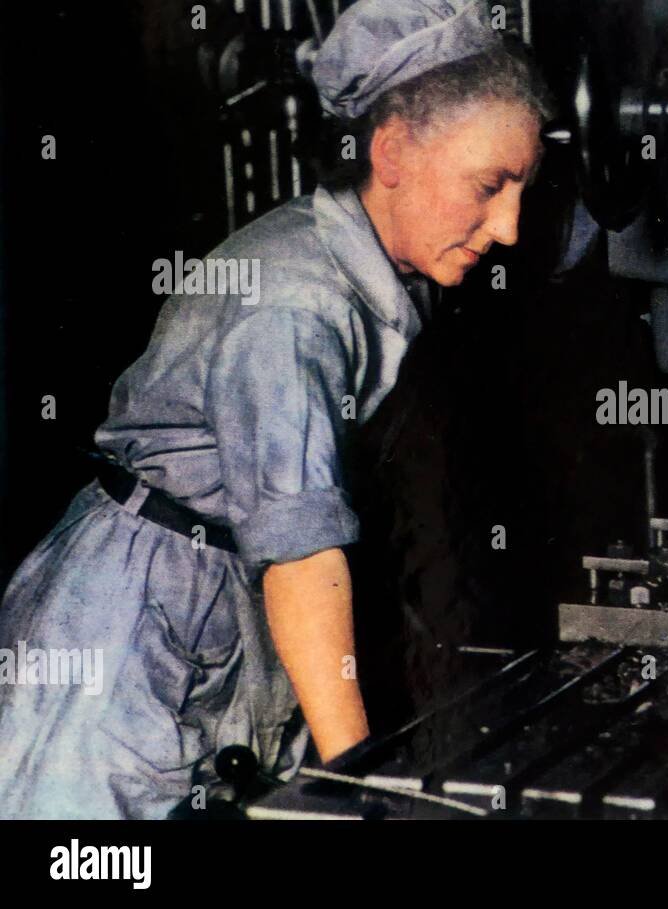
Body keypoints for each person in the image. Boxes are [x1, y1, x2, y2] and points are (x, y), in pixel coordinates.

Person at [0, 0, 553, 819]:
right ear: (392, 150)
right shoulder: (293, 307)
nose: (508, 227)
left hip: (215, 598)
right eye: (488, 186)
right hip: (125, 621)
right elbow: (299, 557)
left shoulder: (368, 264)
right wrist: (360, 783)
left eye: (521, 189)